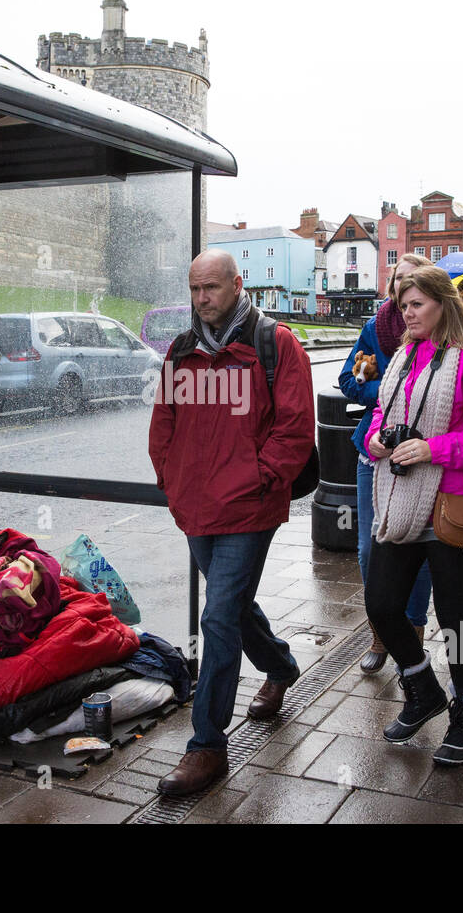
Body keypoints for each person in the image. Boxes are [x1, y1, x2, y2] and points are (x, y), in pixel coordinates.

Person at [148, 248, 315, 796]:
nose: (202, 300)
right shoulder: (181, 350)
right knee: (234, 606)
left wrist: (260, 479)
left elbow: (294, 430)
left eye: (212, 289)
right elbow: (163, 425)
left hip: (248, 507)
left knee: (218, 616)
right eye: (195, 289)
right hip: (197, 507)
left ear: (238, 285)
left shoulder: (276, 344)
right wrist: (172, 483)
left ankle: (207, 748)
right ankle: (282, 667)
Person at [364, 264, 463, 765]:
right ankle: (423, 689)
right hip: (402, 504)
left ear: (442, 305)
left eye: (416, 305)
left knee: (457, 619)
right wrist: (377, 442)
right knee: (383, 605)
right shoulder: (403, 357)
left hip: (460, 509)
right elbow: (383, 416)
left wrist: (433, 449)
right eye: (402, 305)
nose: (406, 313)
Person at [340, 254, 435, 674]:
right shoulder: (376, 327)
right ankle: (381, 629)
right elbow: (347, 381)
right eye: (399, 279)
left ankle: (411, 632)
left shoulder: (445, 339)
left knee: (414, 547)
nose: (405, 287)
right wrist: (390, 389)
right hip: (374, 450)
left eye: (414, 280)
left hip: (422, 456)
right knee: (369, 549)